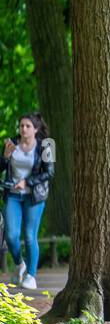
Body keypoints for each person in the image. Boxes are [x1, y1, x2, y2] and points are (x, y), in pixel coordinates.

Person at [3, 113, 55, 290]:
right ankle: (19, 264)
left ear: (36, 129)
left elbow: (49, 173)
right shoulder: (11, 143)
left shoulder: (48, 145)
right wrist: (5, 156)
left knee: (30, 235)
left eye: (27, 126)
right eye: (21, 125)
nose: (23, 129)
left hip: (35, 196)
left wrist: (27, 182)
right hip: (12, 195)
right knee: (10, 235)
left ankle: (31, 276)